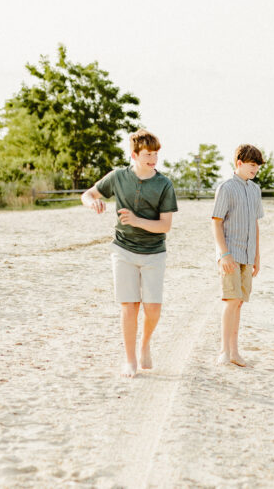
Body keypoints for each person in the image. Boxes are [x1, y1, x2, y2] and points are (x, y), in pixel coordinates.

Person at [81, 129, 178, 378]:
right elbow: (88, 193)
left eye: (155, 154)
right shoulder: (118, 177)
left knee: (153, 308)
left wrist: (135, 220)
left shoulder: (164, 184)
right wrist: (92, 202)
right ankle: (130, 359)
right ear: (133, 154)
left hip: (154, 252)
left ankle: (145, 343)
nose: (153, 159)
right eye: (147, 154)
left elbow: (165, 226)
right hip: (123, 250)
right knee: (129, 306)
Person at [211, 144, 265, 367]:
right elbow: (216, 221)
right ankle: (224, 350)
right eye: (252, 165)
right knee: (231, 300)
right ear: (239, 163)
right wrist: (224, 254)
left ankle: (234, 351)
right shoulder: (226, 187)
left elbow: (255, 224)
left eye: (258, 166)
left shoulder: (255, 190)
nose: (255, 170)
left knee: (239, 302)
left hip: (248, 254)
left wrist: (257, 257)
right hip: (230, 254)